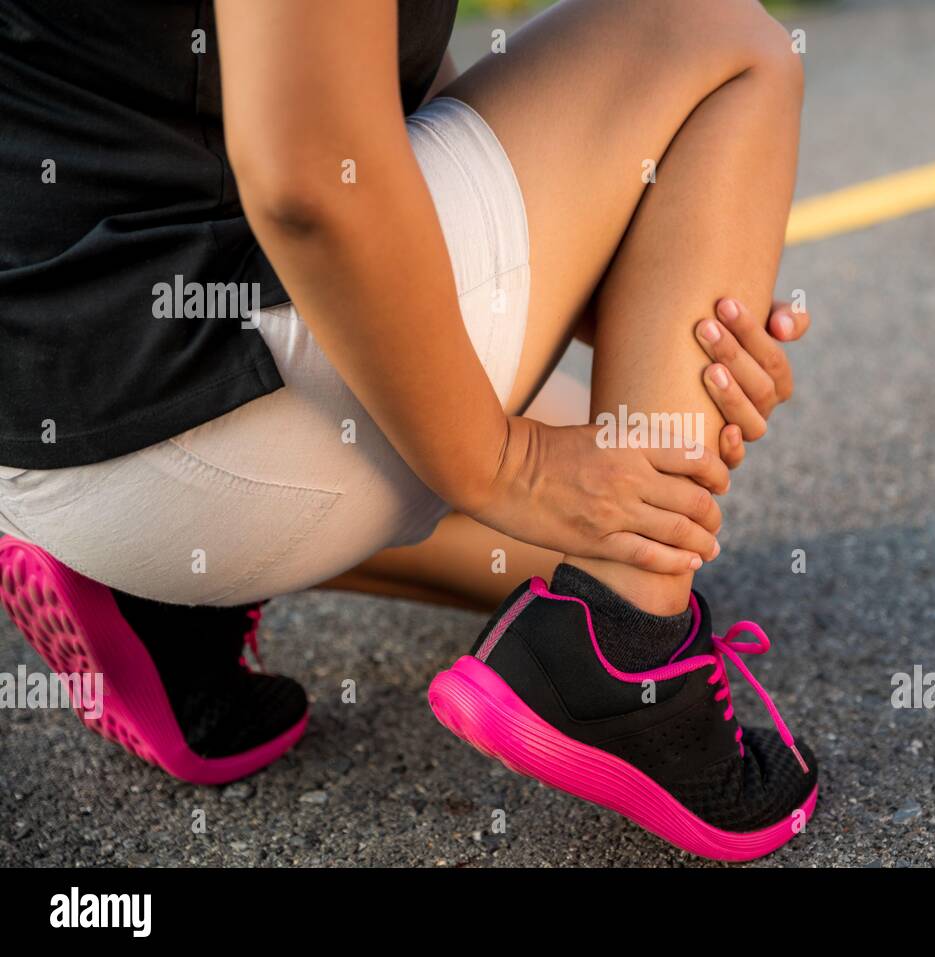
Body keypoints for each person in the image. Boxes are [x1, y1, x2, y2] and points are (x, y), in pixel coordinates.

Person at [0, 0, 815, 861]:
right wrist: (510, 467)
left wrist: (628, 264)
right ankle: (626, 646)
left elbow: (391, 85)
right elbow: (309, 175)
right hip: (190, 366)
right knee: (724, 40)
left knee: (634, 497)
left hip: (51, 425)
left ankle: (158, 590)